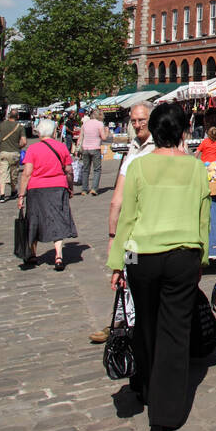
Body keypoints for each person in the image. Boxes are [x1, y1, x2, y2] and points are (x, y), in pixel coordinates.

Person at [107, 102, 211, 431]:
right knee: (175, 331)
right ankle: (166, 410)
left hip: (142, 256)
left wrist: (116, 263)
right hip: (183, 255)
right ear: (184, 132)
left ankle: (147, 388)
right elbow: (203, 218)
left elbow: (128, 218)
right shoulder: (196, 168)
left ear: (153, 131)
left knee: (146, 323)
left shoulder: (138, 166)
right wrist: (202, 258)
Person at [89, 104, 155, 345]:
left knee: (137, 278)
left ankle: (131, 327)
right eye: (134, 121)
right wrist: (113, 236)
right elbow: (117, 200)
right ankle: (123, 323)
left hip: (145, 228)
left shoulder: (157, 149)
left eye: (141, 120)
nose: (137, 125)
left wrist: (113, 235)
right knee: (128, 275)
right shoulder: (134, 148)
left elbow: (116, 200)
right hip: (132, 231)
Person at [17, 118, 77, 270]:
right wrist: (70, 187)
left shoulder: (33, 149)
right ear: (54, 131)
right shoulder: (62, 147)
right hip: (57, 187)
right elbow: (69, 170)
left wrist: (21, 195)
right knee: (57, 219)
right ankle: (58, 255)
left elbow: (26, 173)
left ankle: (32, 254)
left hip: (36, 189)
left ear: (39, 133)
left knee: (34, 219)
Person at [77, 107, 110, 196]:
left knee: (85, 170)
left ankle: (84, 189)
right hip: (95, 148)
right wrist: (107, 132)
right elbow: (104, 138)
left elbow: (80, 137)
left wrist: (77, 148)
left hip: (85, 149)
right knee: (97, 169)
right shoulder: (100, 124)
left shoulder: (85, 124)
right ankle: (94, 189)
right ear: (99, 115)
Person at [0, 105, 26, 201]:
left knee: (2, 173)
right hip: (14, 153)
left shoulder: (2, 125)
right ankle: (13, 191)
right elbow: (24, 141)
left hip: (3, 152)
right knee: (13, 173)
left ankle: (2, 194)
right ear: (18, 117)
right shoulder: (20, 127)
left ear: (9, 115)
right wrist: (18, 147)